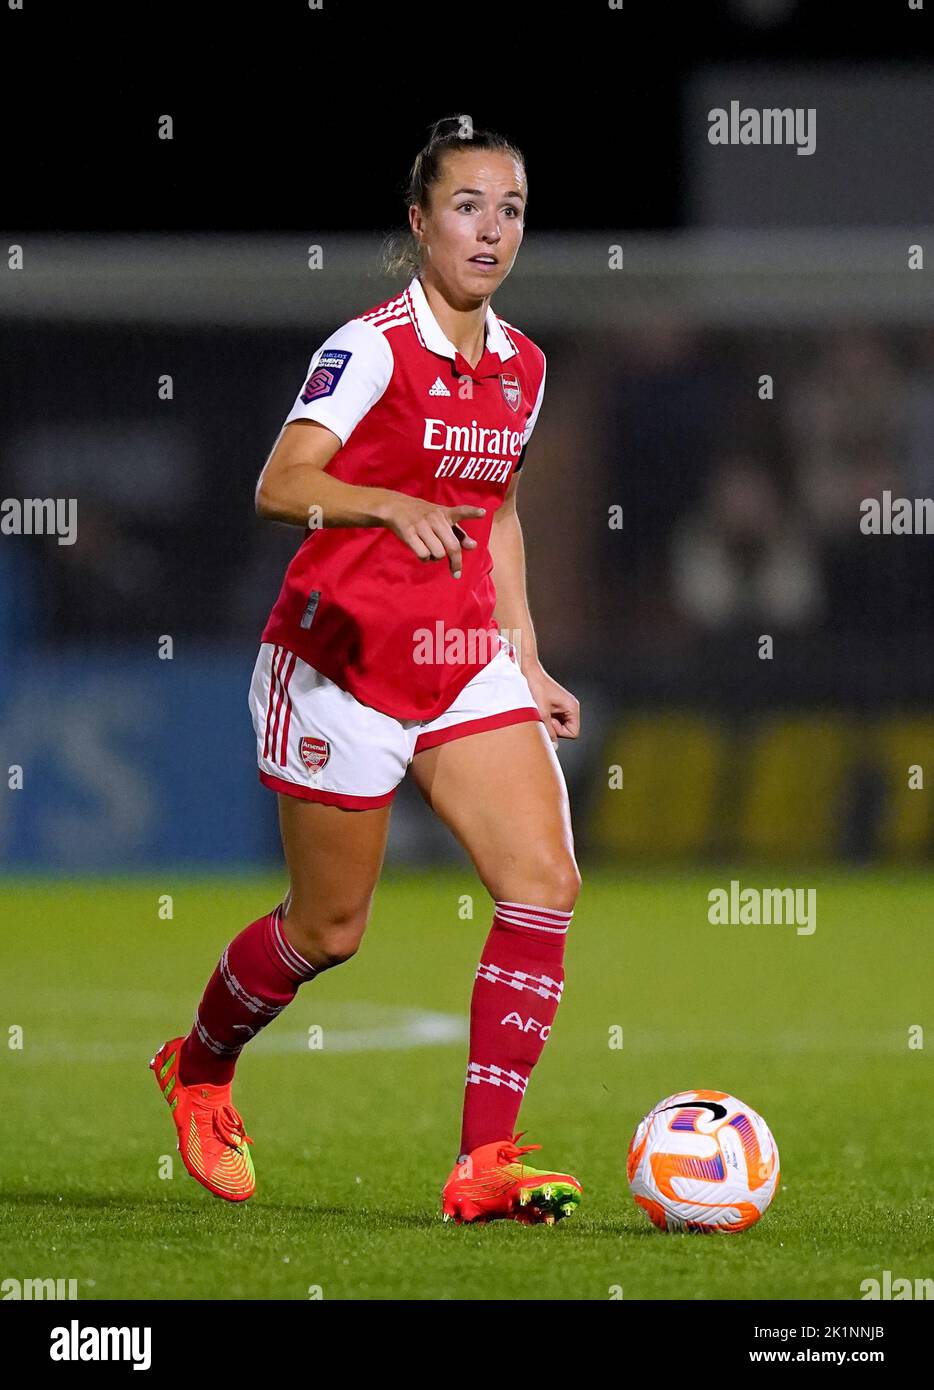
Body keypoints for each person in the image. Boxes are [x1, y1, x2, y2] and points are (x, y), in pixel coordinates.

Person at [150, 116, 583, 1225]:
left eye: (511, 210)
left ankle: (484, 1161)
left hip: (458, 658)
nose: (491, 231)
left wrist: (524, 653)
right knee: (326, 930)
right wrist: (384, 500)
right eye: (467, 207)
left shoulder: (524, 366)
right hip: (337, 665)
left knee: (542, 882)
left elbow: (500, 511)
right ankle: (198, 1069)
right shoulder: (372, 346)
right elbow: (280, 479)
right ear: (419, 222)